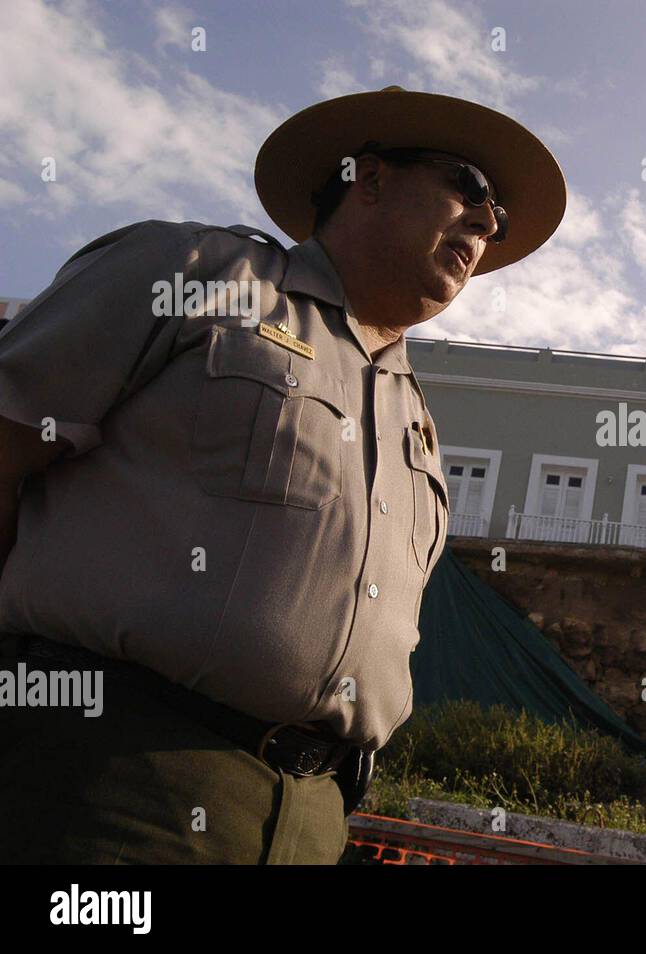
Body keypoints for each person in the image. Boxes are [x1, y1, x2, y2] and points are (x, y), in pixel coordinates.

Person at [0, 86, 567, 864]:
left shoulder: (418, 424)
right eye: (467, 184)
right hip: (112, 782)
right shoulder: (197, 273)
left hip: (315, 818)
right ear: (366, 178)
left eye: (497, 212)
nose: (488, 221)